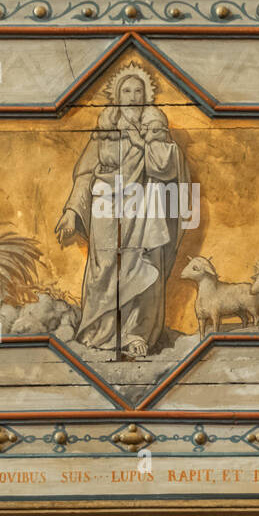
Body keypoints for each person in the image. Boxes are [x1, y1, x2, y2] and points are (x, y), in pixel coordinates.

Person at [55, 67, 190, 358]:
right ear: (117, 96)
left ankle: (135, 334)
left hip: (141, 204)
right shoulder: (104, 125)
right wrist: (70, 210)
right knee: (104, 267)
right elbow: (86, 172)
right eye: (126, 91)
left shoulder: (153, 123)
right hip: (106, 204)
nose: (132, 96)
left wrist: (140, 140)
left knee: (141, 266)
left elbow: (165, 164)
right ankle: (100, 331)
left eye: (138, 91)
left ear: (146, 96)